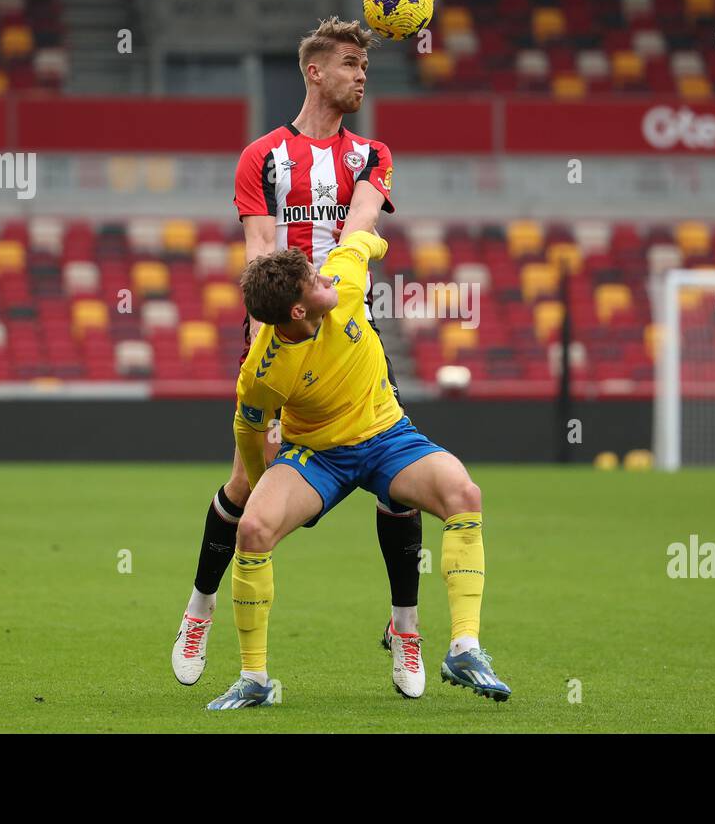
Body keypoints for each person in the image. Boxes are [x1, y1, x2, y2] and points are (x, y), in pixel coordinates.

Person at [172, 18, 426, 697]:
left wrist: (330, 300)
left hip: (349, 330)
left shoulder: (372, 153)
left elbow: (360, 227)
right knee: (247, 485)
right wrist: (274, 333)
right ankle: (199, 608)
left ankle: (405, 624)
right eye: (348, 63)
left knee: (400, 477)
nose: (360, 74)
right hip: (277, 328)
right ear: (314, 71)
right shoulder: (262, 155)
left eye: (364, 65)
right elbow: (260, 251)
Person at [206, 231, 511, 709]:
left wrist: (376, 241)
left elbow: (364, 244)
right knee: (254, 529)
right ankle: (254, 678)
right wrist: (260, 479)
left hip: (388, 438)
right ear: (298, 312)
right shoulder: (263, 372)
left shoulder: (343, 280)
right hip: (318, 455)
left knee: (464, 494)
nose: (325, 275)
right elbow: (248, 430)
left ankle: (464, 648)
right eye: (313, 280)